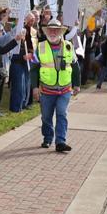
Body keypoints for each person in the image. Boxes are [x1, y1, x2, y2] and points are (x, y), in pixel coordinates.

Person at [31, 20, 80, 152]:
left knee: (61, 113)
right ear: (47, 32)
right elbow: (34, 69)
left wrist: (77, 84)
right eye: (50, 30)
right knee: (46, 117)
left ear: (60, 32)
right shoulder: (40, 47)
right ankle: (47, 138)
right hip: (46, 90)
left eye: (56, 30)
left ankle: (60, 142)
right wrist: (35, 87)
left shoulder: (69, 46)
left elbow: (75, 66)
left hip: (65, 89)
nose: (53, 32)